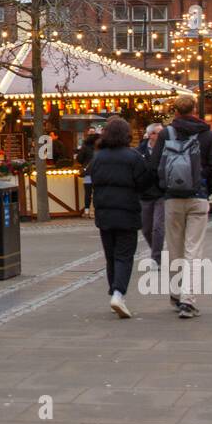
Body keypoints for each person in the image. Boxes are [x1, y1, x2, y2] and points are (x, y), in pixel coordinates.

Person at [147, 94, 212, 319]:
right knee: (193, 249)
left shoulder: (165, 134)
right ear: (194, 110)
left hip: (171, 198)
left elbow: (153, 166)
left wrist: (165, 187)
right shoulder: (207, 135)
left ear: (176, 111)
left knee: (174, 248)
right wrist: (204, 186)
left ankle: (175, 292)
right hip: (198, 197)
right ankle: (188, 300)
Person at [86, 117, 154, 318]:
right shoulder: (133, 157)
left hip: (104, 212)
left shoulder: (98, 157)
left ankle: (114, 290)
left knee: (110, 255)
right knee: (124, 255)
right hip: (127, 211)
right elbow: (144, 183)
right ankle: (118, 293)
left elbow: (93, 180)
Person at [137, 123, 166, 267]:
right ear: (150, 135)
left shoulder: (166, 149)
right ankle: (155, 250)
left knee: (158, 226)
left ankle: (156, 258)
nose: (161, 136)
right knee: (146, 228)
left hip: (162, 193)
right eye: (157, 133)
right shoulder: (140, 150)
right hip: (145, 193)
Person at [76, 130, 99, 218]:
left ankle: (86, 211)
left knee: (88, 192)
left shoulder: (85, 147)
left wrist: (84, 163)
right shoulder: (99, 147)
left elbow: (79, 158)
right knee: (97, 191)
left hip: (87, 174)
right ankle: (95, 211)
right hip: (97, 173)